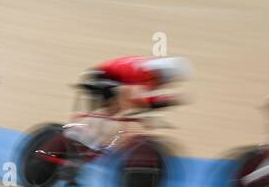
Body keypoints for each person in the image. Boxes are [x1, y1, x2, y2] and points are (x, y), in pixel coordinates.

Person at [62, 55, 191, 154]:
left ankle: (86, 134)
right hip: (102, 78)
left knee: (117, 110)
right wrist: (164, 101)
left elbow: (140, 100)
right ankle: (81, 135)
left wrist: (159, 103)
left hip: (109, 79)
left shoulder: (151, 71)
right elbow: (137, 99)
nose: (166, 84)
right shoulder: (147, 73)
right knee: (117, 110)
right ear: (164, 75)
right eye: (168, 81)